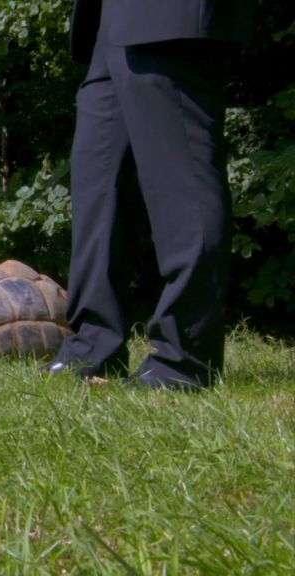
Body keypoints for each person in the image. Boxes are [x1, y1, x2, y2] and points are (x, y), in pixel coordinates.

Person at [43, 0, 255, 390]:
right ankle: (92, 345)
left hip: (169, 12)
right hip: (111, 16)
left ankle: (185, 359)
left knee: (182, 178)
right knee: (97, 175)